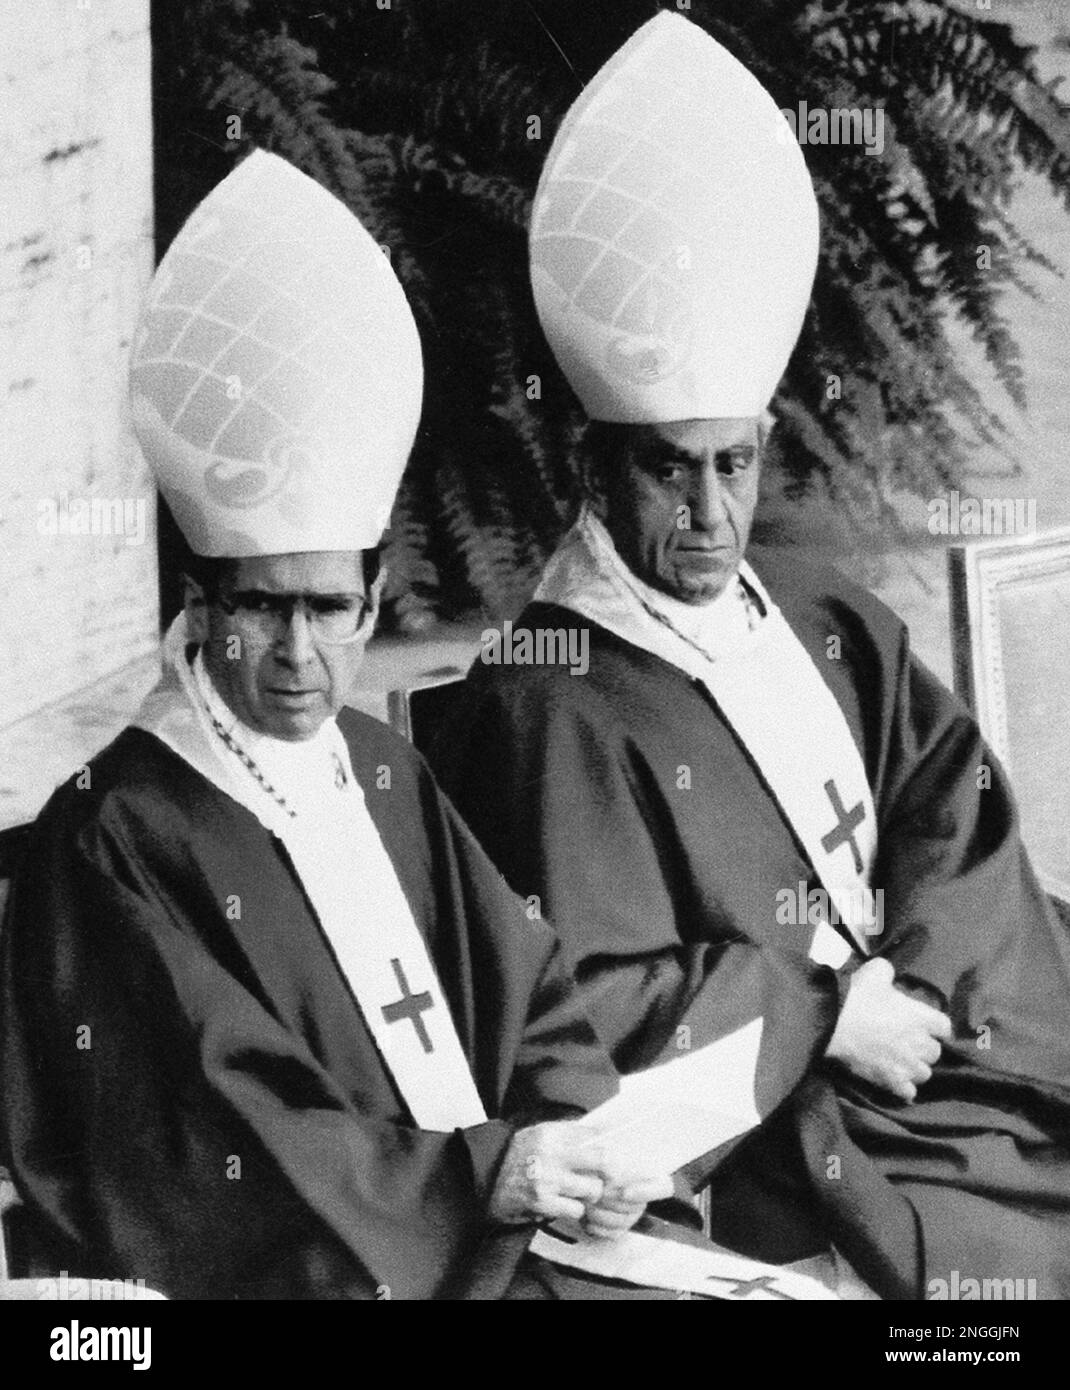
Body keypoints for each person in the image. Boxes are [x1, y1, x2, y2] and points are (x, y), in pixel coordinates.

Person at [430, 14, 1070, 1300]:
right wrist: (829, 1013)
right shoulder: (539, 703)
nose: (712, 517)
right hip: (792, 1127)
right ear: (595, 467)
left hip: (937, 1040)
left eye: (735, 463)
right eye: (669, 470)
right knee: (1005, 1272)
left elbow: (955, 809)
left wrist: (925, 991)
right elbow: (580, 1009)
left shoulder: (817, 611)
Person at [0, 151, 677, 1301]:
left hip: (493, 1239)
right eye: (261, 607)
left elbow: (525, 992)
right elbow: (203, 1137)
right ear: (200, 604)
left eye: (330, 609)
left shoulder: (376, 768)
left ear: (372, 606)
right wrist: (485, 1172)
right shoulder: (116, 827)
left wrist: (580, 1136)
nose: (300, 657)